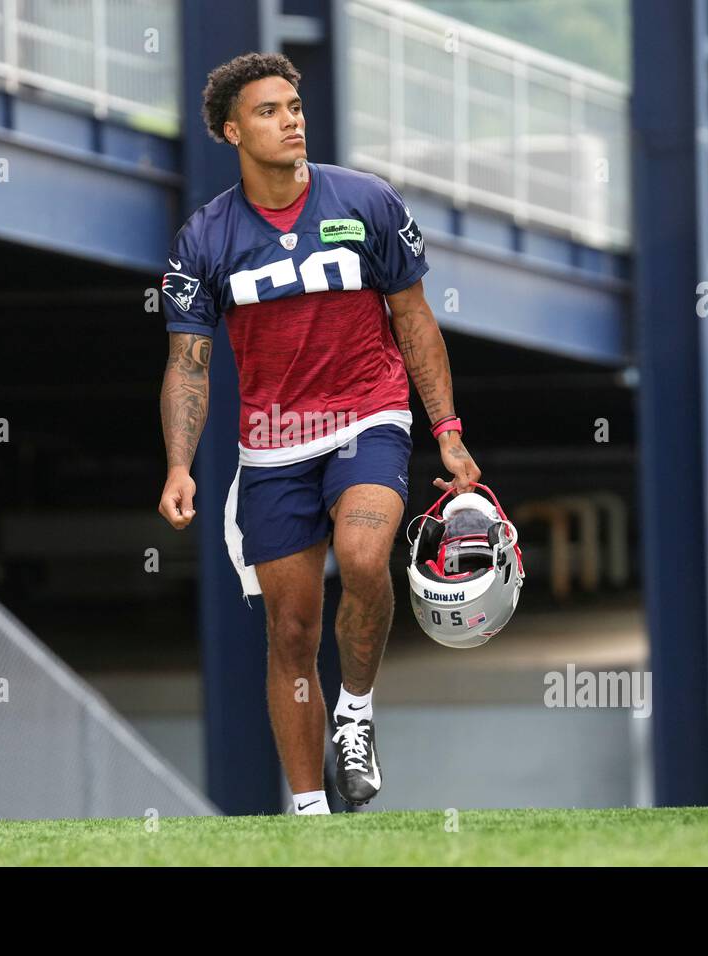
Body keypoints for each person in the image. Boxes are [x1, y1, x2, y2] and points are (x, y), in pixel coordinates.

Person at [156, 52, 478, 813]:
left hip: (368, 416)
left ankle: (356, 716)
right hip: (271, 446)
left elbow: (414, 317)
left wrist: (449, 431)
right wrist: (179, 466)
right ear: (232, 131)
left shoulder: (366, 201)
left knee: (366, 558)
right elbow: (188, 365)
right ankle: (310, 816)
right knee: (291, 632)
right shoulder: (204, 239)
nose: (290, 119)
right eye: (268, 111)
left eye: (294, 107)